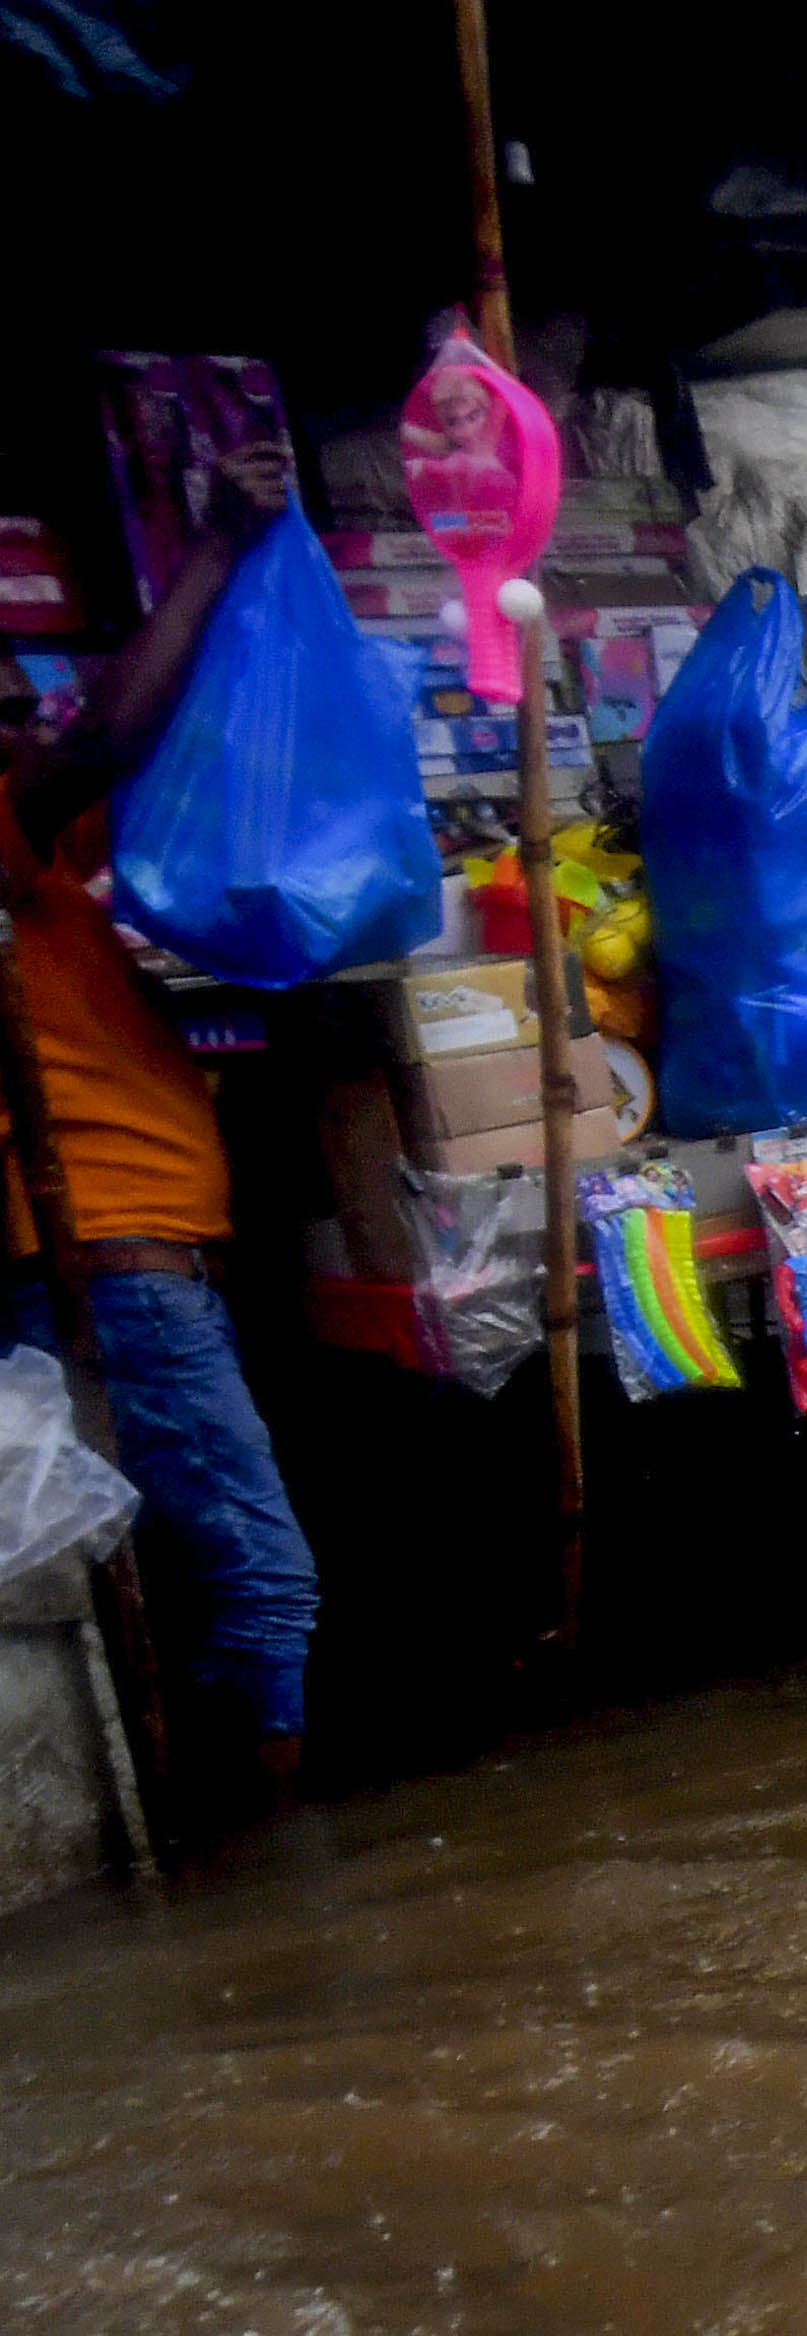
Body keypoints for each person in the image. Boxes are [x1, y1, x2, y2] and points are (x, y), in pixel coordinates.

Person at [1, 441, 324, 1802]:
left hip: (147, 1263)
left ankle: (221, 1859)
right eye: (6, 712)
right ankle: (265, 1871)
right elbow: (103, 736)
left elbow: (138, 749)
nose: (28, 726)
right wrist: (213, 548)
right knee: (264, 1577)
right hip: (116, 1269)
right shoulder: (8, 834)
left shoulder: (46, 882)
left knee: (194, 1570)